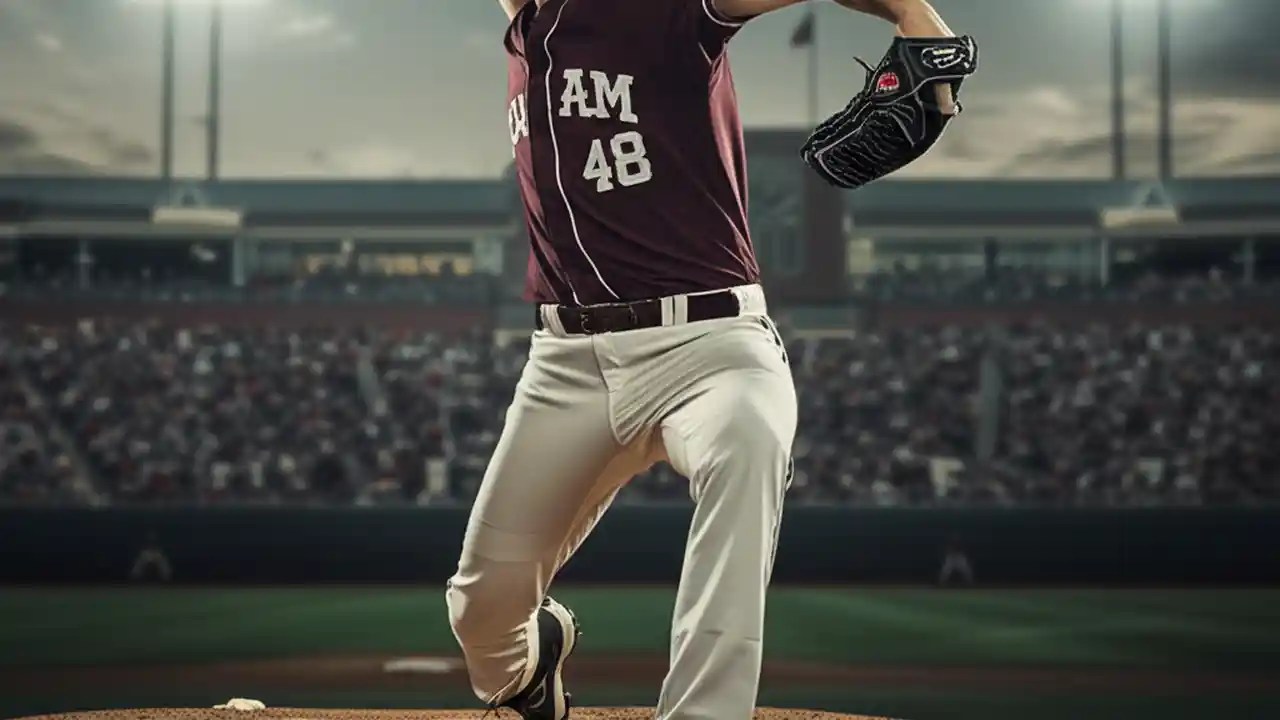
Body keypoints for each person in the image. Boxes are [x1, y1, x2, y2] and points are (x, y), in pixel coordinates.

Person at [445, 1, 959, 719]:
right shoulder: (527, 26)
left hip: (711, 348)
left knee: (745, 444)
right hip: (565, 365)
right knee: (480, 611)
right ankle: (532, 670)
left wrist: (911, 9)